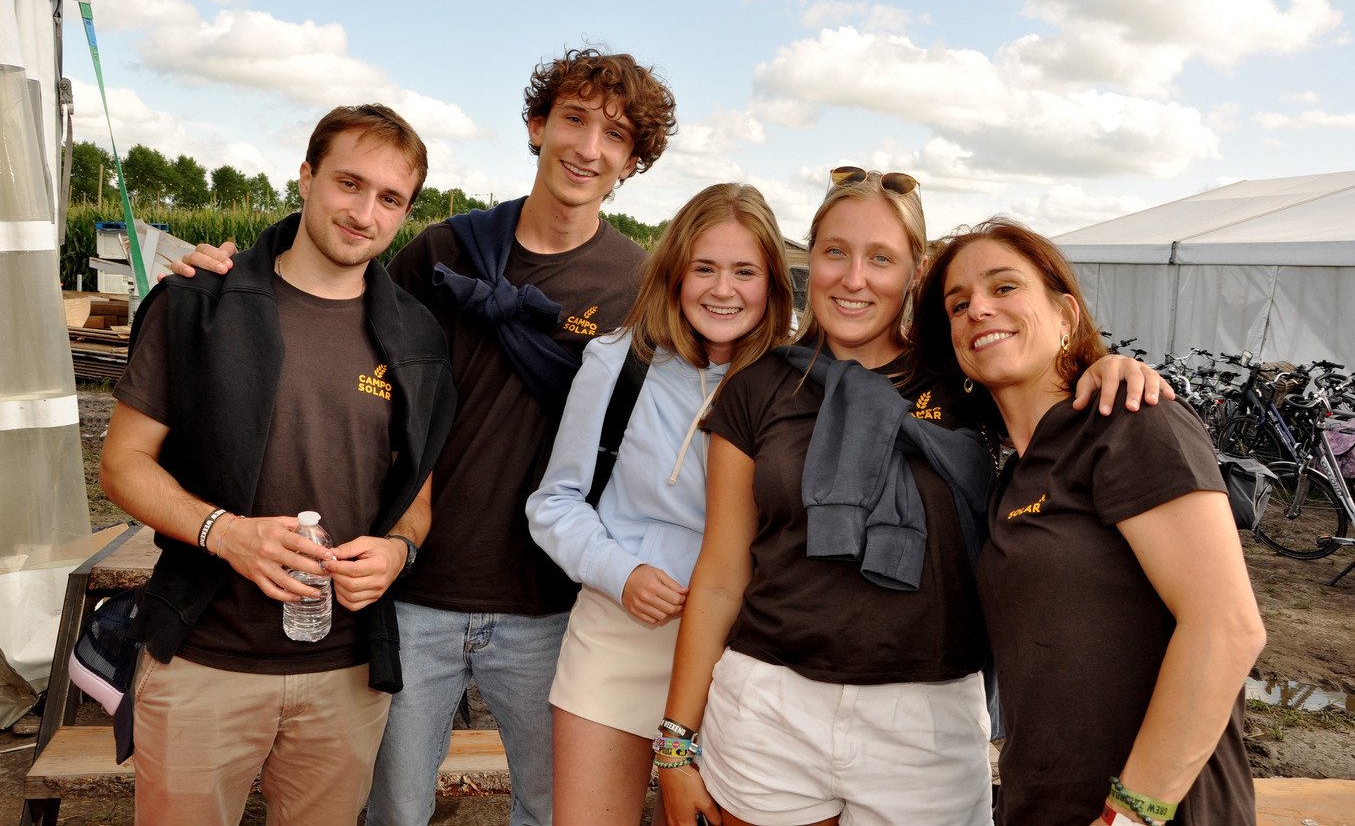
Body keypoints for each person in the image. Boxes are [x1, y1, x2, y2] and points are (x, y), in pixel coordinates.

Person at [172, 47, 679, 826]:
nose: (587, 147)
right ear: (538, 126)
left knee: (550, 811)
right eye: (572, 120)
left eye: (614, 136)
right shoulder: (443, 253)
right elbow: (331, 288)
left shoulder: (635, 286)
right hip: (411, 591)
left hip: (550, 603)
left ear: (631, 160)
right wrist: (229, 269)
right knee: (393, 812)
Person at [657, 169, 1172, 826]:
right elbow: (721, 575)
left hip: (926, 715)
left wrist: (1102, 365)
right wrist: (674, 747)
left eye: (880, 259)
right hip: (768, 702)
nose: (853, 278)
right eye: (834, 252)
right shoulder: (755, 388)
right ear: (807, 259)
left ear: (914, 272)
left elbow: (1046, 380)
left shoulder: (966, 374)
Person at [99, 104, 457, 825]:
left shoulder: (415, 336)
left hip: (346, 674)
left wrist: (398, 549)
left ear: (406, 213)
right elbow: (121, 465)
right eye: (348, 184)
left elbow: (416, 495)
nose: (364, 212)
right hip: (204, 661)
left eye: (390, 198)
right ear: (305, 177)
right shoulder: (201, 302)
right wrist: (224, 533)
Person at [913, 217, 1266, 826]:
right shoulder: (1008, 477)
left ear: (1066, 316)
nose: (978, 309)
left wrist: (1132, 813)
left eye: (1004, 288)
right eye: (957, 303)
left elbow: (1227, 627)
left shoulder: (1129, 420)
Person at [525, 183, 795, 825]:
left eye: (744, 272)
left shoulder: (795, 383)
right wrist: (622, 573)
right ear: (675, 273)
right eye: (704, 267)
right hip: (621, 633)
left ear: (773, 284)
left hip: (738, 652)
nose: (722, 290)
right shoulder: (619, 360)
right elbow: (553, 501)